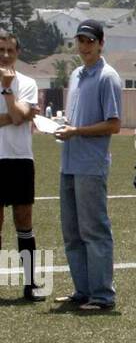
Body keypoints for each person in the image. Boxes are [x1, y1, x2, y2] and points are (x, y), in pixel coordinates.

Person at [53, 20, 122, 313]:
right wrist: (63, 127)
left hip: (90, 165)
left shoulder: (108, 77)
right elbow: (77, 121)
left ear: (101, 43)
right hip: (69, 162)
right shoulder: (77, 75)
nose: (84, 47)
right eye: (80, 41)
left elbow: (114, 124)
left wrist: (77, 131)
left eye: (90, 41)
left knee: (94, 230)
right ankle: (82, 290)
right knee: (71, 231)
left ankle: (102, 296)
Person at [0, 30, 45, 301]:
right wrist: (17, 115)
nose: (5, 54)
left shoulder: (27, 83)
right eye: (0, 49)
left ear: (18, 53)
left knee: (24, 221)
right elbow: (20, 116)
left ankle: (30, 284)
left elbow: (18, 118)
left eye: (10, 50)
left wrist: (7, 90)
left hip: (20, 159)